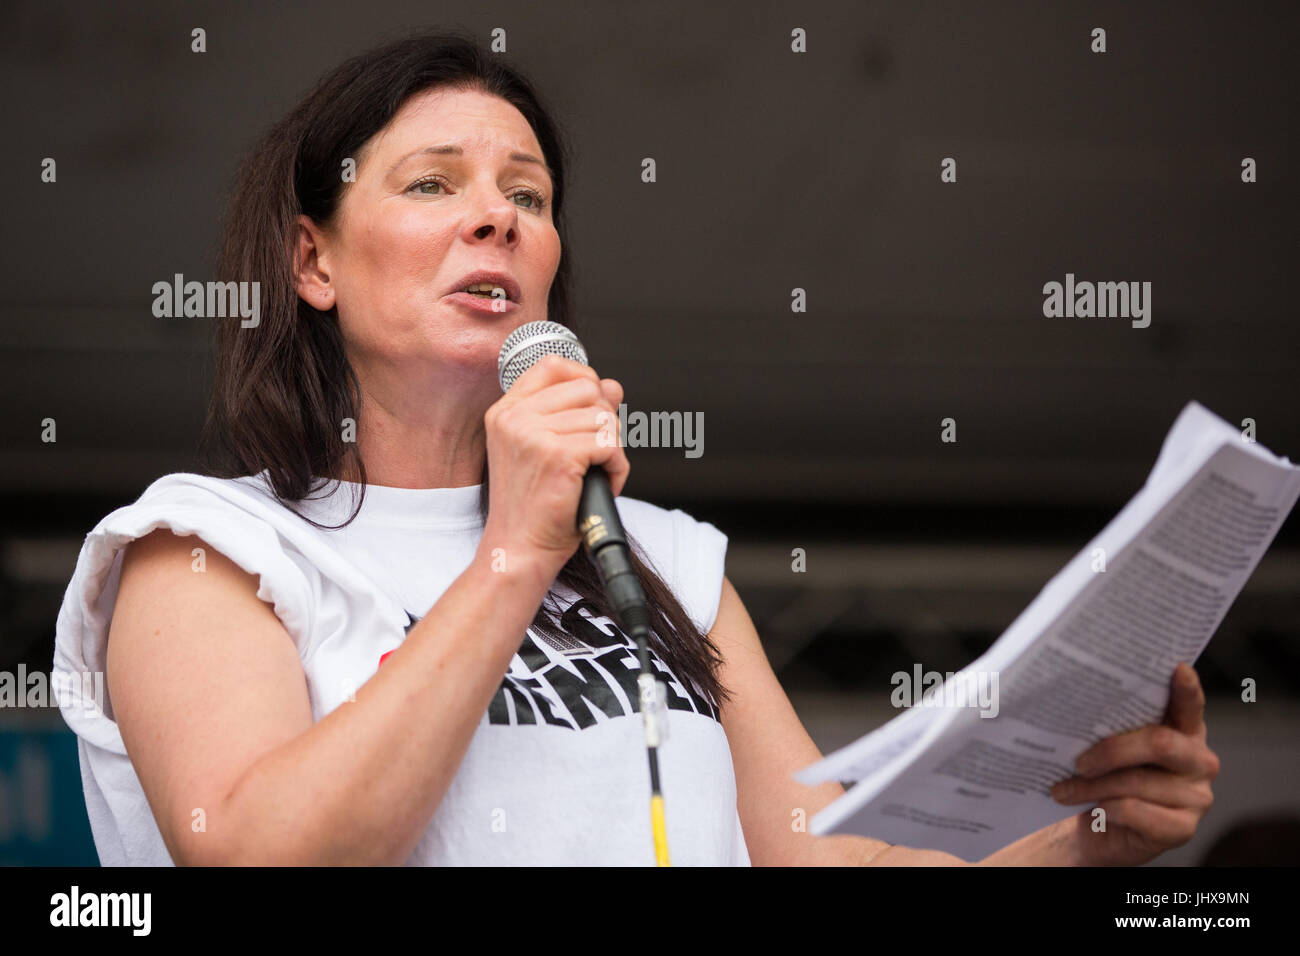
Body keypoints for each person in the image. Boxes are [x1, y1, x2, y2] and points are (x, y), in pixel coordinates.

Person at [53, 31, 1218, 866]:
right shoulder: (206, 547)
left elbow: (822, 862)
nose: (497, 214)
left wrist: (1086, 837)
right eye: (431, 184)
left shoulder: (662, 559)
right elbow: (263, 852)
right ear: (312, 263)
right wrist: (511, 555)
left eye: (528, 192)